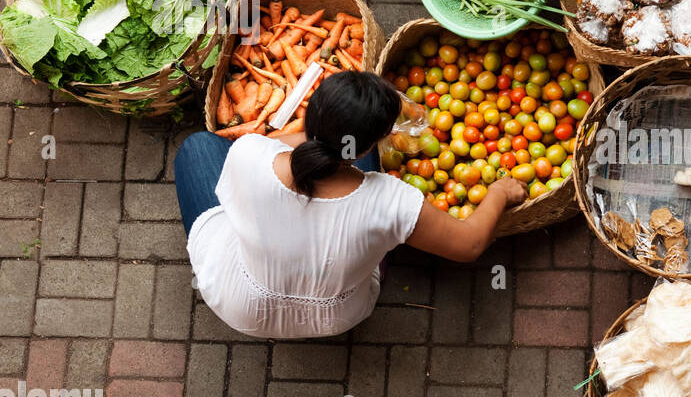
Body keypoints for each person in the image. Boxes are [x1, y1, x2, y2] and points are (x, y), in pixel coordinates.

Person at [174, 71, 526, 339]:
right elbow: (470, 245)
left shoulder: (249, 152)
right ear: (369, 146)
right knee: (388, 226)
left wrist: (314, 144)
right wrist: (499, 192)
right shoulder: (391, 199)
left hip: (242, 306)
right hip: (336, 317)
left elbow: (279, 149)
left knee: (198, 147)